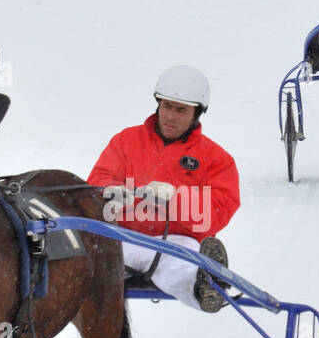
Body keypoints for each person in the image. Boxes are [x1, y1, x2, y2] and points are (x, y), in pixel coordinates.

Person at [88, 67, 240, 313]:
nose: (171, 116)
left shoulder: (216, 158)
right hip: (121, 238)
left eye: (181, 110)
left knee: (182, 263)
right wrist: (110, 195)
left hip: (174, 242)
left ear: (196, 114)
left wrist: (174, 198)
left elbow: (219, 209)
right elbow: (97, 182)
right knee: (84, 254)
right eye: (167, 106)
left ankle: (206, 283)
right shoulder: (125, 141)